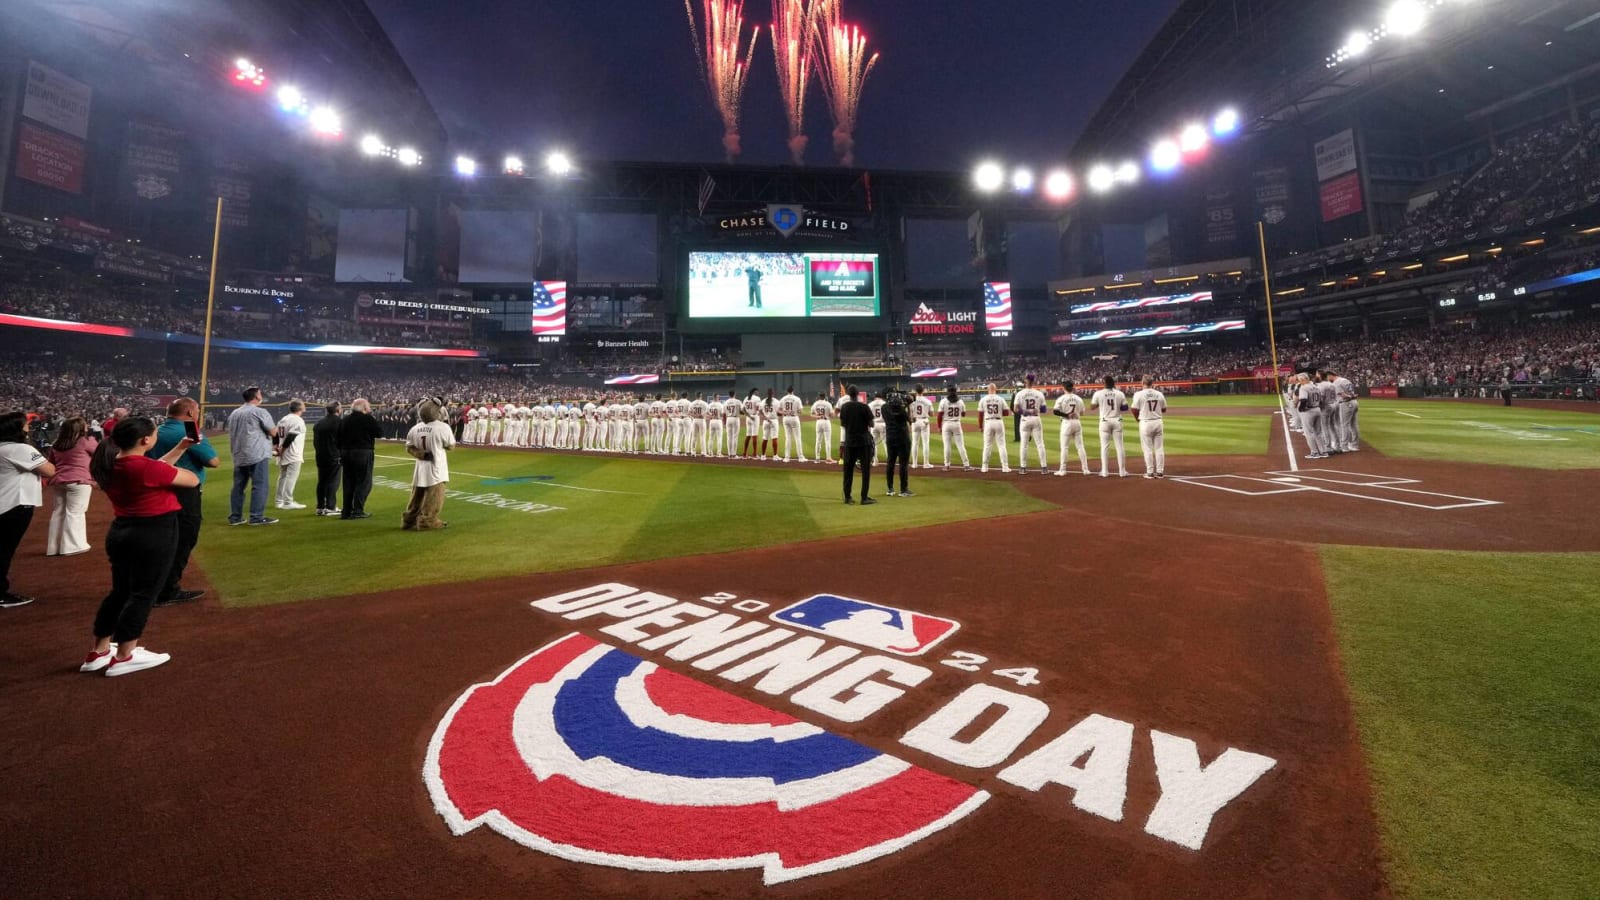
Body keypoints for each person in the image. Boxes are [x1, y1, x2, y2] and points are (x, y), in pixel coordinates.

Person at [80, 417, 198, 676]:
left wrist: (181, 447)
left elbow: (152, 469)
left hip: (123, 531)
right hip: (154, 532)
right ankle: (124, 655)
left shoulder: (111, 463)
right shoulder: (145, 468)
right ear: (146, 440)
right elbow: (191, 480)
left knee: (120, 592)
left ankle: (99, 651)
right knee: (145, 593)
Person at [147, 398, 218, 607]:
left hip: (156, 492)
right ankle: (167, 590)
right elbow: (213, 461)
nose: (198, 413)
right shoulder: (189, 430)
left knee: (163, 540)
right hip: (183, 491)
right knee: (184, 539)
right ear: (189, 412)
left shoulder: (156, 429)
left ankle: (155, 585)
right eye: (197, 410)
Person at [1, 412, 56, 607]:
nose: (28, 428)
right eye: (25, 425)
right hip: (15, 504)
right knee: (5, 550)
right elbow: (49, 470)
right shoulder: (20, 449)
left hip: (4, 502)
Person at [226, 387, 279, 526]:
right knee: (260, 485)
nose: (262, 396)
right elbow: (273, 432)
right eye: (260, 394)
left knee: (238, 487)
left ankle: (235, 517)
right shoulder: (259, 411)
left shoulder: (235, 412)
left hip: (239, 454)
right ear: (255, 397)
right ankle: (256, 517)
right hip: (257, 454)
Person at [45, 416, 97, 557]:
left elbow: (52, 463)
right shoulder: (86, 441)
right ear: (80, 428)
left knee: (58, 512)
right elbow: (99, 454)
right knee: (75, 512)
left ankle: (53, 547)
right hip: (79, 480)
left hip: (59, 480)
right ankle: (72, 546)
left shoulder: (57, 444)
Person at [402, 398, 455, 531]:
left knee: (416, 496)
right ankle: (427, 521)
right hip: (437, 467)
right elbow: (451, 446)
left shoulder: (415, 428)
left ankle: (409, 520)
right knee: (435, 496)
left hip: (420, 468)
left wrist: (422, 454)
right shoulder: (443, 427)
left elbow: (409, 447)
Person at [338, 398, 384, 519]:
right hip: (363, 452)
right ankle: (358, 510)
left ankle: (346, 511)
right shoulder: (368, 419)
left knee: (348, 482)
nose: (369, 408)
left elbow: (338, 437)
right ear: (364, 408)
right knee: (363, 482)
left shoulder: (345, 419)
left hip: (346, 453)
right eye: (368, 406)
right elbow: (379, 433)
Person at [838, 385, 876, 505]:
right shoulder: (864, 406)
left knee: (848, 470)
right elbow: (871, 424)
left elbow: (843, 424)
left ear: (849, 394)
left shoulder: (844, 407)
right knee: (865, 470)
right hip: (863, 441)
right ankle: (864, 497)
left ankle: (847, 497)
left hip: (850, 441)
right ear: (858, 394)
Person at [1130, 375, 1168, 479]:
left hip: (1145, 422)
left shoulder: (1138, 394)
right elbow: (1164, 409)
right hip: (1158, 421)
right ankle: (1160, 472)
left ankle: (1150, 472)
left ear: (1142, 383)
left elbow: (1133, 409)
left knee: (1147, 448)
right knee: (1159, 448)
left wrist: (1138, 419)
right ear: (1152, 383)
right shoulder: (1159, 394)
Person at [1090, 376, 1129, 478]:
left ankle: (1104, 472)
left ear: (1104, 383)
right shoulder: (1119, 393)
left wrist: (1102, 404)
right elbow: (1125, 407)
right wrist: (1116, 405)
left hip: (1104, 421)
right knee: (1119, 446)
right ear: (1113, 383)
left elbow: (1092, 407)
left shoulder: (1098, 393)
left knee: (1104, 447)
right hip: (1117, 420)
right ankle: (1122, 472)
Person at [274, 399, 308, 510]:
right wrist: (282, 449)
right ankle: (288, 502)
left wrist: (276, 446)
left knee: (283, 476)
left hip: (282, 452)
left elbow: (275, 433)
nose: (305, 406)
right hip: (292, 453)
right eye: (303, 405)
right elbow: (291, 436)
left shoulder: (284, 419)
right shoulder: (298, 420)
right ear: (299, 408)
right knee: (291, 477)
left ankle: (279, 501)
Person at [1052, 382, 1091, 476]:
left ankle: (1063, 470)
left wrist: (1066, 414)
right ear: (1072, 388)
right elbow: (1082, 413)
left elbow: (1055, 411)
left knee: (1064, 447)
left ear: (1064, 388)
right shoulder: (1079, 398)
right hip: (1077, 422)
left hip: (1066, 423)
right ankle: (1085, 469)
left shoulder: (1061, 398)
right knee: (1080, 446)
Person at [313, 402, 344, 516]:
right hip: (334, 456)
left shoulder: (319, 423)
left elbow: (315, 442)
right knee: (333, 482)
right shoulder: (339, 422)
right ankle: (330, 507)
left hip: (321, 456)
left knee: (322, 482)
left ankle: (320, 507)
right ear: (338, 410)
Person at [882, 390, 913, 497]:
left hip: (890, 438)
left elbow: (887, 406)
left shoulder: (884, 408)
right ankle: (903, 489)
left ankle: (890, 489)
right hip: (902, 438)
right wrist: (908, 405)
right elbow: (910, 420)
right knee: (903, 464)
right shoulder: (901, 410)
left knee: (890, 463)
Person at [1014, 375, 1048, 474]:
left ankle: (1023, 468)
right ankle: (1044, 468)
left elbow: (1016, 409)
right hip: (1036, 419)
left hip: (1025, 420)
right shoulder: (1039, 393)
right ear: (1033, 381)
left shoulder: (1020, 393)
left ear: (1025, 381)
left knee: (1024, 445)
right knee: (1040, 444)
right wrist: (1035, 410)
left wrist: (1025, 411)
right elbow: (1044, 409)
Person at [977, 383, 1012, 474]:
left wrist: (980, 426)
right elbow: (1006, 413)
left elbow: (980, 415)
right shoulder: (1000, 399)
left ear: (988, 389)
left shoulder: (983, 399)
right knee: (1001, 445)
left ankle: (984, 467)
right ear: (995, 389)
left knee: (987, 446)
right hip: (998, 421)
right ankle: (1005, 467)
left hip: (988, 422)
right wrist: (999, 412)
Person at [937, 387, 971, 470]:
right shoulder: (960, 401)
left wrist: (939, 426)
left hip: (946, 424)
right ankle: (966, 465)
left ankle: (946, 465)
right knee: (960, 445)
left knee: (947, 445)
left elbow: (939, 415)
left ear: (948, 392)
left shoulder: (943, 401)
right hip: (956, 424)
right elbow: (963, 414)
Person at [1296, 374, 1327, 460]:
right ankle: (1323, 452)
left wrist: (1301, 409)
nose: (1299, 382)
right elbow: (1321, 400)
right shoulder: (1316, 386)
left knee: (1308, 433)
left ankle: (1314, 452)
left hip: (1309, 411)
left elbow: (1303, 400)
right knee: (1318, 432)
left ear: (1303, 379)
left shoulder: (1304, 387)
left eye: (1300, 380)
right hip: (1317, 409)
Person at [1329, 368, 1361, 452]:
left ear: (1331, 375)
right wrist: (1352, 396)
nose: (1328, 379)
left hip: (1346, 403)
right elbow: (1352, 392)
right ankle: (1355, 445)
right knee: (1354, 425)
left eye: (1328, 377)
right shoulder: (1345, 380)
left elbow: (1342, 394)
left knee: (1344, 425)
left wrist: (1349, 396)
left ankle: (1344, 446)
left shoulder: (1337, 382)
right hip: (1354, 402)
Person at [778, 386, 807, 462]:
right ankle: (800, 457)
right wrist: (795, 412)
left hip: (785, 418)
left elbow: (778, 410)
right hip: (794, 418)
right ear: (793, 391)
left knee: (788, 438)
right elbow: (800, 411)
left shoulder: (783, 398)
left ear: (787, 391)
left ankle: (787, 457)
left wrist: (785, 412)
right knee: (797, 438)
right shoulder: (797, 398)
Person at [909, 388, 933, 470]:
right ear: (923, 391)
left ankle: (914, 464)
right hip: (924, 421)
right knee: (925, 443)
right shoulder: (927, 401)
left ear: (915, 391)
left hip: (915, 422)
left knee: (915, 443)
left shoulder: (911, 401)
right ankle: (926, 463)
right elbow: (932, 414)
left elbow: (910, 414)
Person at [811, 392, 836, 464]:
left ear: (819, 396)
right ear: (825, 396)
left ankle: (817, 458)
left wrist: (818, 416)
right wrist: (833, 411)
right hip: (826, 422)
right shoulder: (828, 404)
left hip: (818, 422)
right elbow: (831, 415)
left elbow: (811, 414)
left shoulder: (815, 403)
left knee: (818, 440)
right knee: (827, 440)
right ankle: (828, 458)